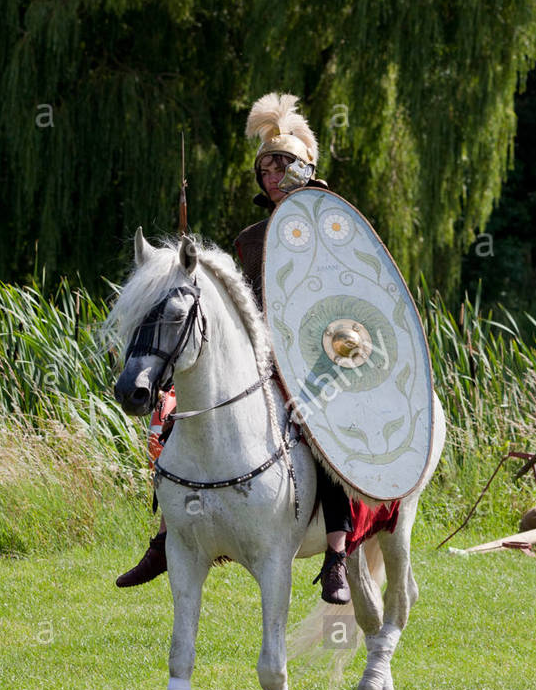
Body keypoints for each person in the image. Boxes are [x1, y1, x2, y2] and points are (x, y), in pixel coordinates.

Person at [116, 93, 368, 604]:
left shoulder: (333, 226)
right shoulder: (251, 237)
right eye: (265, 169)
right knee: (177, 419)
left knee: (322, 433)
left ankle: (336, 554)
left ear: (304, 169)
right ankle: (168, 537)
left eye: (281, 166)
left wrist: (323, 370)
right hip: (262, 353)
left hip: (318, 358)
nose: (271, 177)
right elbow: (243, 302)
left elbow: (349, 298)